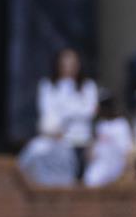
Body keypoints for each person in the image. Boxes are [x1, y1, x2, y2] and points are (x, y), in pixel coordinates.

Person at [37, 47, 100, 178]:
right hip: (58, 140)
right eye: (65, 63)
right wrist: (77, 108)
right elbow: (47, 112)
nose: (68, 67)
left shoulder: (88, 86)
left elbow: (90, 111)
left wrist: (65, 110)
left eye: (72, 64)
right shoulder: (48, 85)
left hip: (82, 140)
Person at [82, 93, 134, 187]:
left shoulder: (121, 124)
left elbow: (127, 148)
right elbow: (94, 148)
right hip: (101, 163)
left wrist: (128, 167)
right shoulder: (101, 124)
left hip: (117, 163)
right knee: (90, 180)